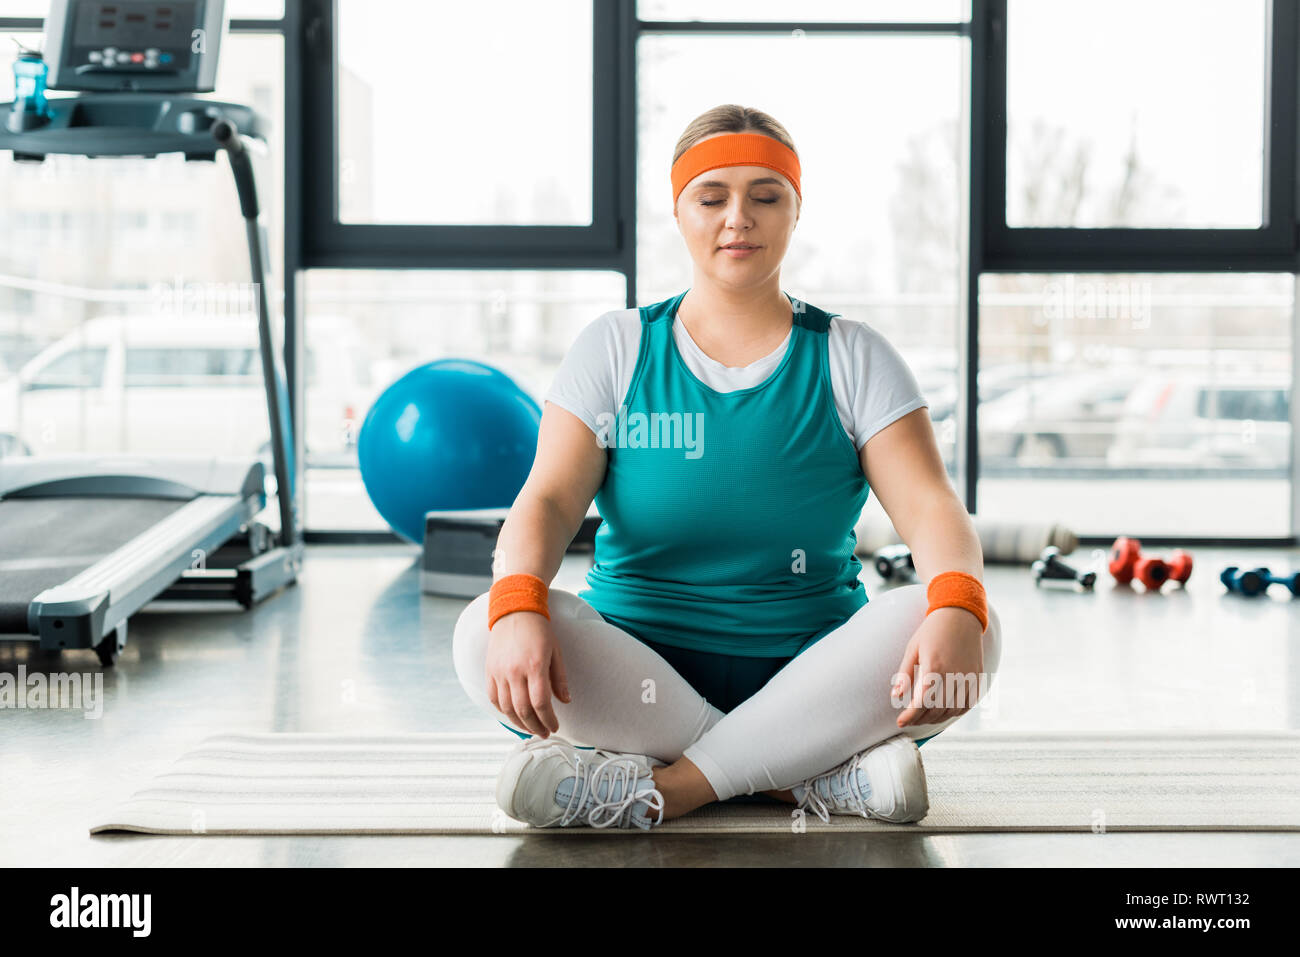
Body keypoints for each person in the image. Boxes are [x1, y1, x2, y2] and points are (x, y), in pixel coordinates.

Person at [453, 104, 1002, 831]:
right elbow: (549, 500)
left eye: (765, 196)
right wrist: (520, 603)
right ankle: (805, 776)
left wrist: (957, 603)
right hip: (638, 671)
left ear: (794, 212)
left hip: (814, 674)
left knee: (977, 627)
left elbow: (932, 507)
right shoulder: (615, 347)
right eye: (712, 197)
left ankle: (665, 788)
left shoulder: (853, 353)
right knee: (480, 627)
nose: (738, 216)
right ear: (679, 212)